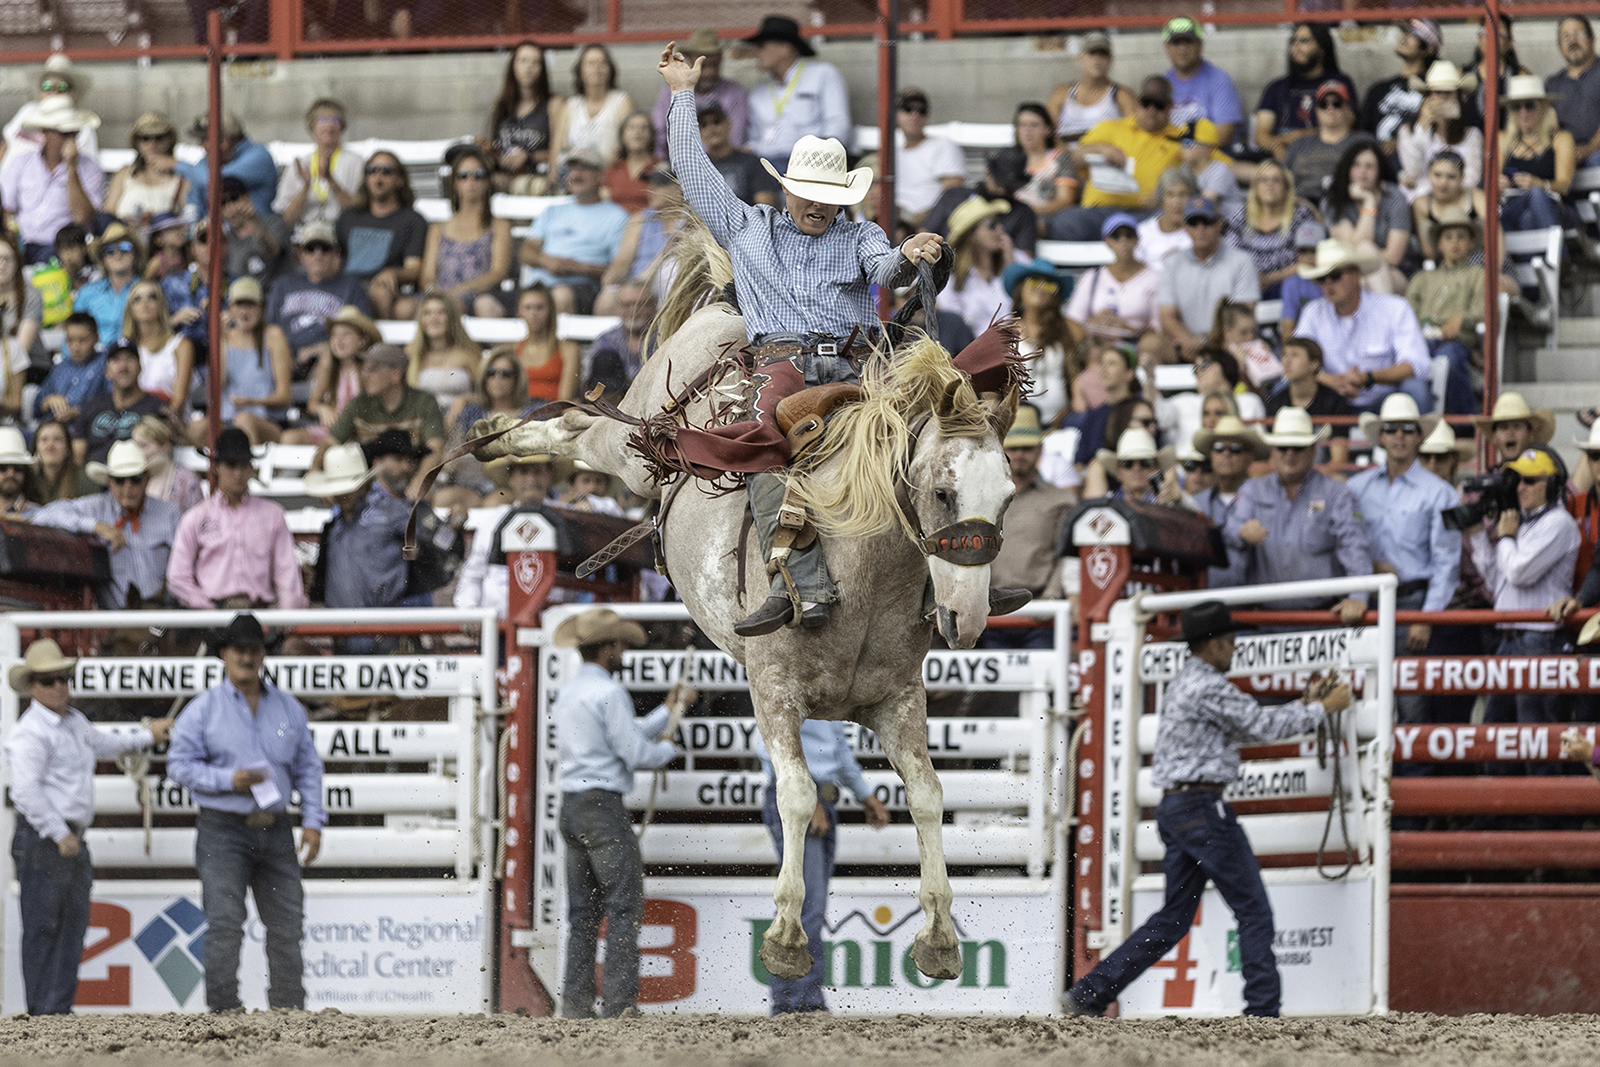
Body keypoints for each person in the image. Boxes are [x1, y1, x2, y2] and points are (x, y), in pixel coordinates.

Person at [655, 44, 1008, 637]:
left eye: (829, 195)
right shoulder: (747, 225)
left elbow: (889, 268)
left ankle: (956, 581)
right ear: (787, 190)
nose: (818, 204)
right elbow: (692, 170)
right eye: (809, 192)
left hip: (859, 365)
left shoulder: (860, 233)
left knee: (949, 444)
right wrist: (682, 95)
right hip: (782, 363)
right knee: (765, 446)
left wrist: (917, 253)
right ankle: (803, 583)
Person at [1063, 600, 1351, 1018]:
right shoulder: (1210, 686)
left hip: (1178, 808)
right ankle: (1263, 1010)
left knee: (1172, 919)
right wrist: (1321, 708)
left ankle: (1090, 993)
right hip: (1202, 807)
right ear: (1212, 644)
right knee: (1253, 908)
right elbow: (1260, 727)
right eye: (1231, 640)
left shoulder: (1187, 682)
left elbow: (1247, 721)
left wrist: (1306, 703)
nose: (1235, 648)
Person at [167, 612, 324, 1014]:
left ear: (262, 655)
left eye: (253, 649)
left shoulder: (287, 708)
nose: (247, 656)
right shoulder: (204, 710)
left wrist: (312, 820)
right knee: (225, 922)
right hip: (224, 827)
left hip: (274, 827)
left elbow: (308, 766)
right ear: (224, 654)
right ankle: (224, 1009)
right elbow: (178, 765)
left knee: (286, 923)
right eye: (240, 649)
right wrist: (226, 780)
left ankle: (289, 1009)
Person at [5, 638, 169, 1016]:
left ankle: (54, 1010)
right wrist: (59, 832)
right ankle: (45, 1011)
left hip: (65, 837)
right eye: (50, 681)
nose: (60, 686)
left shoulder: (73, 722)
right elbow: (26, 792)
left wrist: (147, 735)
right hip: (51, 837)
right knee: (47, 928)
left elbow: (106, 743)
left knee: (70, 927)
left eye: (63, 678)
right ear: (33, 687)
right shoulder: (30, 733)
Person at [551, 607, 695, 1018]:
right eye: (621, 644)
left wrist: (668, 712)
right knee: (623, 905)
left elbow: (622, 735)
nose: (625, 650)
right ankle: (619, 1004)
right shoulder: (610, 693)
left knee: (582, 913)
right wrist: (668, 745)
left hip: (573, 806)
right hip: (602, 808)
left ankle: (576, 1004)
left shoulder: (571, 691)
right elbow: (635, 752)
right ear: (609, 648)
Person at [755, 717, 889, 1015]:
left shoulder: (819, 693)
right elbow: (773, 742)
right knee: (805, 905)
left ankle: (793, 997)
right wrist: (807, 793)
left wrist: (864, 794)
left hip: (816, 796)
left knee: (804, 902)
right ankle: (799, 1000)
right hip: (800, 793)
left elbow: (838, 748)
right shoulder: (791, 684)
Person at [1347, 393, 1461, 721]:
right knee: (1365, 699)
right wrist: (1369, 568)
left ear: (1419, 436)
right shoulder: (1357, 488)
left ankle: (1412, 772)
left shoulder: (1441, 493)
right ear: (1381, 436)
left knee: (1411, 706)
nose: (1399, 436)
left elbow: (1447, 563)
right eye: (1392, 429)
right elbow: (1346, 544)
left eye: (1407, 429)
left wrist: (1427, 617)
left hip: (1413, 602)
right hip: (1367, 603)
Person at [1469, 447, 1580, 742]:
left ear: (1553, 485)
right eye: (1518, 480)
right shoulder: (1522, 522)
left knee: (1536, 738)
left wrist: (1505, 537)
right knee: (1496, 733)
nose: (1520, 488)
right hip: (1510, 638)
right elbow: (1496, 580)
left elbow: (1519, 572)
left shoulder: (1559, 523)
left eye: (1530, 481)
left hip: (1538, 639)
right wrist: (1478, 535)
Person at [1226, 407, 1371, 623]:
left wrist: (1359, 596)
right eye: (1283, 447)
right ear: (1272, 451)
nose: (1289, 454)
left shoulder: (1337, 493)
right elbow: (1229, 530)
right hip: (1265, 620)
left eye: (1298, 447)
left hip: (1322, 618)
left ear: (1312, 450)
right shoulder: (1252, 490)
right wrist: (1241, 532)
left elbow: (1354, 545)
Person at [167, 427, 309, 610]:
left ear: (251, 467)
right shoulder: (195, 518)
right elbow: (177, 576)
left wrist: (286, 613)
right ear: (217, 467)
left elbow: (286, 572)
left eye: (243, 466)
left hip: (257, 612)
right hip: (215, 614)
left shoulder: (273, 515)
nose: (238, 474)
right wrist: (206, 606)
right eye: (231, 466)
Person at [33, 439, 182, 609]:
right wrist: (95, 525)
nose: (127, 488)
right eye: (119, 480)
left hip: (160, 615)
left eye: (135, 479)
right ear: (109, 482)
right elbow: (43, 515)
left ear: (147, 479)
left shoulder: (169, 514)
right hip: (116, 621)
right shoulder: (96, 508)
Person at [1293, 239, 1432, 414]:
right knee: (1287, 385)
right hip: (1330, 403)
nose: (1328, 283)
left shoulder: (1395, 308)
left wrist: (1368, 378)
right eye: (1322, 278)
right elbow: (1296, 360)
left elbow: (1415, 364)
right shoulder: (1312, 312)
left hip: (1385, 405)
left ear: (1357, 276)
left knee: (1415, 388)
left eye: (1335, 275)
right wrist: (1332, 381)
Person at [1054, 76, 1185, 241]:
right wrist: (1101, 148)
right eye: (1146, 103)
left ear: (1170, 107)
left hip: (1145, 214)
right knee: (1064, 223)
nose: (1151, 110)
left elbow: (1206, 169)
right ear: (1138, 102)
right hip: (1099, 212)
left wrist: (1162, 200)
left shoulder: (1180, 139)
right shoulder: (1112, 127)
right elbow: (1073, 156)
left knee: (1165, 223)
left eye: (1159, 105)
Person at [989, 405, 1076, 623]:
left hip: (1040, 609)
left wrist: (1052, 596)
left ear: (1039, 449)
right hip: (992, 608)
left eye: (1027, 448)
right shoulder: (984, 499)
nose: (1019, 454)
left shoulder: (1062, 500)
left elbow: (1067, 555)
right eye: (1013, 448)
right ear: (1002, 450)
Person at [1405, 207, 1495, 415]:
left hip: (1457, 341)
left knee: (1450, 359)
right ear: (1439, 243)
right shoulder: (1422, 278)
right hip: (1422, 340)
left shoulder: (1477, 275)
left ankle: (1463, 424)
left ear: (1471, 243)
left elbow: (1483, 309)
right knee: (1404, 362)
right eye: (1448, 237)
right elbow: (1407, 314)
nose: (1455, 243)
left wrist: (1461, 318)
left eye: (1462, 237)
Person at [518, 147, 629, 315]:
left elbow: (617, 269)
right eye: (572, 169)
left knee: (559, 296)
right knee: (487, 303)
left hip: (584, 287)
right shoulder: (552, 211)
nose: (576, 175)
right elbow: (526, 251)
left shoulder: (617, 216)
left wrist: (578, 267)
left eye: (584, 169)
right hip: (539, 288)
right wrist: (545, 260)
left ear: (601, 175)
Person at [305, 442, 411, 610]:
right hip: (345, 625)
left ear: (363, 487)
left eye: (347, 490)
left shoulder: (393, 515)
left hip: (385, 621)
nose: (342, 495)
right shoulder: (332, 529)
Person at [325, 343, 447, 486]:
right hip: (370, 485)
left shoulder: (424, 402)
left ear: (396, 374)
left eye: (372, 369)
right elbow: (329, 442)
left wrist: (419, 483)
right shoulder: (358, 404)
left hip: (413, 480)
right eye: (364, 369)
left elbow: (435, 451)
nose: (365, 375)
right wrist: (315, 471)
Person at [0, 98, 104, 263]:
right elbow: (7, 209)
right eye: (63, 133)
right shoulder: (21, 162)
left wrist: (71, 168)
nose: (70, 139)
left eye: (74, 133)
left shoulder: (89, 168)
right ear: (45, 133)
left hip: (62, 249)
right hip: (22, 244)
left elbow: (82, 217)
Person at [454, 453, 559, 613]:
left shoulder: (565, 517)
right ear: (511, 478)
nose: (531, 479)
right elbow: (473, 575)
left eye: (537, 471)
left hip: (554, 625)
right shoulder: (493, 521)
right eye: (524, 472)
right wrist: (470, 610)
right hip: (499, 626)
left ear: (549, 476)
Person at [265, 220, 372, 377]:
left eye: (325, 248)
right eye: (310, 249)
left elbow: (364, 333)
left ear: (335, 252)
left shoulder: (351, 286)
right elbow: (269, 328)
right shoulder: (283, 284)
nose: (318, 255)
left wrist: (324, 348)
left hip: (328, 360)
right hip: (284, 359)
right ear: (301, 255)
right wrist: (282, 352)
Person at [1157, 197, 1260, 359]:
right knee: (1152, 345)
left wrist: (1206, 341)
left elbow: (1243, 314)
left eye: (1207, 221)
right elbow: (1166, 316)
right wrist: (1189, 341)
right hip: (1187, 344)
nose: (1200, 228)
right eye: (1193, 222)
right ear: (1184, 226)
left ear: (1219, 224)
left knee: (1242, 335)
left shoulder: (1241, 261)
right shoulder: (1172, 263)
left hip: (1227, 344)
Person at [744, 15, 851, 168]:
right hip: (765, 166)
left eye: (761, 46)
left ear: (785, 48)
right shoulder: (758, 91)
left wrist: (819, 161)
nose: (756, 52)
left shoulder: (823, 75)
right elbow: (754, 139)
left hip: (810, 164)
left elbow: (837, 128)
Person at [204, 277, 301, 445]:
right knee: (196, 429)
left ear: (261, 308)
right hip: (228, 420)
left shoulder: (273, 335)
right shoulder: (224, 338)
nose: (244, 311)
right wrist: (219, 338)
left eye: (250, 305)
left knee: (244, 420)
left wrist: (251, 402)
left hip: (268, 421)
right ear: (231, 308)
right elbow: (214, 390)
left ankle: (248, 470)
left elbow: (284, 396)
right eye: (239, 305)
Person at [422, 146, 514, 319]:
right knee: (406, 307)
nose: (471, 181)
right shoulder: (438, 228)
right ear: (454, 183)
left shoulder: (499, 226)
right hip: (441, 297)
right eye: (463, 176)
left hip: (478, 295)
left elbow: (498, 273)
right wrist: (435, 292)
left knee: (451, 307)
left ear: (488, 181)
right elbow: (427, 276)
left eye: (478, 175)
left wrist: (458, 291)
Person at [439, 349, 539, 506]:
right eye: (491, 373)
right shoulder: (471, 410)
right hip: (471, 483)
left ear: (517, 379)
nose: (497, 379)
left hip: (509, 485)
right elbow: (450, 449)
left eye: (505, 374)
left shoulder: (531, 414)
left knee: (493, 503)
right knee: (443, 499)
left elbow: (538, 458)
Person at [336, 150, 428, 319]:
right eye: (372, 170)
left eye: (387, 171)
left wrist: (391, 273)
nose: (378, 176)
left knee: (381, 291)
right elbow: (335, 260)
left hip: (383, 288)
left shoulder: (412, 220)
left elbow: (414, 269)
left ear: (400, 179)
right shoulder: (348, 216)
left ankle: (381, 344)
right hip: (346, 284)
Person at [1254, 22, 1357, 162]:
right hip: (1281, 158)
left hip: (1328, 155)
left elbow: (1347, 124)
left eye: (1304, 41)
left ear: (1322, 48)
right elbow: (1261, 136)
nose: (1296, 46)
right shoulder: (1276, 87)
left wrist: (1301, 135)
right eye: (1293, 41)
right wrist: (1277, 147)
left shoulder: (1340, 83)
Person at [1320, 142, 1412, 294]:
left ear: (1379, 171)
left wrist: (1368, 202)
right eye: (1356, 165)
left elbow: (1393, 257)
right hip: (1350, 274)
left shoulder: (1394, 197)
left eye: (1369, 166)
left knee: (1365, 253)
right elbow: (1353, 250)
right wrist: (1368, 203)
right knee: (1360, 276)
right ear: (1347, 168)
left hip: (1394, 273)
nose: (1362, 172)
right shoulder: (1334, 199)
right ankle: (1387, 317)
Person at [1064, 212, 1162, 353]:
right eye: (1116, 236)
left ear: (1137, 239)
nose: (1123, 242)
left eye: (1128, 235)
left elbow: (1159, 327)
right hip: (1097, 346)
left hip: (1136, 346)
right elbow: (1073, 319)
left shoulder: (1154, 277)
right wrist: (1092, 323)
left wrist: (1130, 329)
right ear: (1107, 242)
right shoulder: (1092, 277)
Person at [1191, 415, 1269, 588]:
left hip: (1255, 606)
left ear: (1250, 458)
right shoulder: (1195, 503)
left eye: (1235, 448)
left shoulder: (1267, 500)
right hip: (1206, 602)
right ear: (1211, 456)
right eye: (1218, 448)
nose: (1226, 454)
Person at [597, 168, 687, 313]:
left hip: (676, 283)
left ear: (679, 188)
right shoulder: (640, 218)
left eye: (660, 185)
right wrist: (613, 277)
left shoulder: (691, 220)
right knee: (607, 299)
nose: (651, 189)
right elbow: (622, 263)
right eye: (650, 184)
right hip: (639, 284)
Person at [936, 196, 1025, 339]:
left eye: (999, 223)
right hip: (972, 352)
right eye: (992, 225)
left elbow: (1030, 306)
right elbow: (953, 329)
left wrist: (1011, 268)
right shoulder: (951, 280)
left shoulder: (1017, 259)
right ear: (971, 235)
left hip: (1017, 348)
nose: (1000, 229)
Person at [1499, 76, 1578, 235]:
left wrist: (1539, 184)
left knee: (1532, 207)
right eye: (1516, 107)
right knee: (1525, 214)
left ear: (1543, 108)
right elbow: (1491, 184)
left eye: (1529, 106)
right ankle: (1558, 258)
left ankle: (1552, 258)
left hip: (1556, 208)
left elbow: (1564, 186)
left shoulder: (1561, 138)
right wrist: (1500, 184)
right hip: (1514, 206)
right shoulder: (1502, 139)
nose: (1523, 112)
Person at [71, 339, 168, 465]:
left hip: (138, 478)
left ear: (140, 367)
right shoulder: (92, 406)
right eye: (116, 360)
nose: (123, 366)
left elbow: (164, 453)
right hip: (96, 476)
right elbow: (79, 457)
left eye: (130, 359)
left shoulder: (157, 408)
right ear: (107, 371)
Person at [490, 41, 567, 195]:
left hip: (537, 179)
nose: (528, 67)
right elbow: (495, 145)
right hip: (504, 175)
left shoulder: (554, 104)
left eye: (535, 62)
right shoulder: (501, 105)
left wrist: (529, 157)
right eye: (523, 61)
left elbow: (561, 151)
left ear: (542, 69)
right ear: (513, 66)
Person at [650, 29, 749, 150]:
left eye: (714, 65)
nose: (709, 72)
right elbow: (661, 136)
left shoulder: (734, 92)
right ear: (690, 61)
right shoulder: (670, 93)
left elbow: (735, 139)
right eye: (704, 65)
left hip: (724, 163)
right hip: (677, 163)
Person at [1004, 259, 1076, 425]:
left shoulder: (1065, 331)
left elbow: (1075, 380)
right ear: (1020, 288)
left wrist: (1065, 416)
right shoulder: (1005, 333)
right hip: (1016, 422)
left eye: (1050, 285)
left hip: (1061, 421)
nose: (1042, 288)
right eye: (1034, 281)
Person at [273, 99, 363, 230]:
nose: (330, 126)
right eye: (323, 120)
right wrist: (305, 187)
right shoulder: (300, 164)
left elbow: (359, 212)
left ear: (342, 127)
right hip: (305, 234)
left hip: (342, 231)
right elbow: (289, 218)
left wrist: (331, 180)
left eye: (336, 120)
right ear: (312, 127)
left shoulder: (356, 162)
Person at [1397, 63, 1482, 201]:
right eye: (1437, 93)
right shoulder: (1408, 131)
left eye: (1448, 93)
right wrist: (1423, 127)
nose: (1442, 98)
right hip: (1421, 202)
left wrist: (1425, 183)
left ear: (1458, 98)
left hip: (1458, 203)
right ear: (1427, 98)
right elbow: (1414, 172)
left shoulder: (1472, 135)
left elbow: (1471, 180)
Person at [1264, 336, 1353, 465]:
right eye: (1284, 355)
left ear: (1314, 364)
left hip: (1322, 475)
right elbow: (1274, 460)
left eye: (1295, 355)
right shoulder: (1275, 403)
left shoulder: (1335, 402)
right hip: (1286, 473)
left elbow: (1339, 461)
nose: (1286, 361)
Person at [1282, 80, 1376, 202]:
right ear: (1316, 111)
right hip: (1302, 207)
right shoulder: (1299, 144)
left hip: (1350, 204)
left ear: (1348, 108)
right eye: (1323, 104)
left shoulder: (1365, 141)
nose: (1330, 108)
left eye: (1337, 104)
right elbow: (1282, 180)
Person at [1360, 19, 1443, 156]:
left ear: (1428, 49)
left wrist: (1401, 142)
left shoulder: (1435, 89)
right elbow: (1363, 133)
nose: (1404, 37)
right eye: (1404, 32)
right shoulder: (1378, 89)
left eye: (1414, 35)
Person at [993, 103, 1077, 236]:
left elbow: (1065, 200)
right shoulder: (1006, 157)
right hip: (1008, 218)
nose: (1027, 131)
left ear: (1047, 129)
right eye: (1022, 125)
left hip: (1044, 219)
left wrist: (1028, 211)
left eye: (1034, 125)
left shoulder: (1060, 159)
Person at [1160, 16, 1243, 147]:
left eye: (1188, 41)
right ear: (1167, 48)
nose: (1182, 48)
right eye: (1176, 42)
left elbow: (1224, 135)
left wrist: (1186, 149)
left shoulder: (1219, 80)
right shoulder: (1162, 83)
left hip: (1209, 159)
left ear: (1200, 44)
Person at [180, 111, 278, 218]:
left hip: (260, 229)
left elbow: (213, 179)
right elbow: (194, 202)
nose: (200, 144)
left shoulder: (258, 156)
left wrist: (176, 164)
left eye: (205, 139)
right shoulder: (206, 162)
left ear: (224, 140)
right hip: (222, 230)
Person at [405, 291, 483, 424]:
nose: (434, 318)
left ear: (451, 318)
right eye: (427, 313)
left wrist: (464, 400)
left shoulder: (468, 355)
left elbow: (488, 395)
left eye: (441, 312)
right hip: (423, 423)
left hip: (461, 421)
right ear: (421, 319)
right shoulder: (411, 352)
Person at [892, 88, 966, 225]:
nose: (915, 115)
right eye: (907, 109)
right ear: (896, 114)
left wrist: (924, 218)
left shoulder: (942, 145)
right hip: (895, 220)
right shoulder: (892, 153)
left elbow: (954, 192)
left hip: (930, 224)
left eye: (922, 110)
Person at [1046, 31, 1135, 144]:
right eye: (1092, 54)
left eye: (1102, 55)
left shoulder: (1122, 96)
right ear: (1081, 58)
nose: (1097, 60)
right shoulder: (1060, 94)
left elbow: (1134, 134)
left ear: (1110, 60)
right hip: (1067, 158)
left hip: (1107, 158)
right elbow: (1045, 133)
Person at [104, 110, 188, 227]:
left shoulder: (181, 178)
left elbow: (187, 219)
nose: (152, 145)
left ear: (169, 140)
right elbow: (108, 216)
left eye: (159, 138)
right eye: (145, 138)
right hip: (126, 242)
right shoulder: (124, 174)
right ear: (136, 142)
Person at [553, 44, 634, 167]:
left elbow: (628, 148)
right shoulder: (569, 106)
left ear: (610, 70)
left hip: (608, 174)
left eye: (603, 63)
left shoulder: (622, 102)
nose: (597, 68)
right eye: (591, 63)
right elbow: (556, 152)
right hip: (573, 176)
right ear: (580, 71)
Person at [125, 279, 196, 412]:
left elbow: (178, 401)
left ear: (161, 304)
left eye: (151, 297)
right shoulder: (125, 347)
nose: (144, 303)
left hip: (169, 421)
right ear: (130, 309)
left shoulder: (181, 345)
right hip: (131, 420)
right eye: (137, 299)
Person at [1411, 150, 1490, 264]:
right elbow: (1429, 252)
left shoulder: (1476, 197)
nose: (1443, 183)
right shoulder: (1421, 203)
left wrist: (1496, 270)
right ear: (1428, 175)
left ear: (1462, 178)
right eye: (1437, 175)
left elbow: (1496, 234)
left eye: (1451, 177)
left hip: (1483, 261)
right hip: (1444, 264)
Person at [219, 175, 292, 295]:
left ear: (247, 197)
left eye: (234, 198)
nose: (230, 207)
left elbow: (272, 251)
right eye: (223, 203)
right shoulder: (226, 239)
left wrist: (255, 222)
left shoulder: (274, 222)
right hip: (243, 304)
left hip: (275, 299)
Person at [584, 280, 657, 398]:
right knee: (605, 358)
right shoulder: (605, 339)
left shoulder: (665, 338)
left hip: (655, 403)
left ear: (654, 306)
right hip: (613, 407)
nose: (634, 311)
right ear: (617, 308)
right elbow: (592, 383)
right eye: (627, 305)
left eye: (641, 304)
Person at [75, 223, 144, 345]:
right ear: (103, 259)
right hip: (94, 358)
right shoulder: (86, 293)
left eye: (125, 247)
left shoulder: (147, 290)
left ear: (135, 253)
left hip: (135, 355)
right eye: (110, 250)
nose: (117, 254)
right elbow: (74, 334)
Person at [696, 103, 777, 207]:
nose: (711, 128)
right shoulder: (697, 167)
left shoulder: (751, 162)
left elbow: (765, 207)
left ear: (728, 124)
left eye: (717, 121)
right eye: (704, 124)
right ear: (699, 131)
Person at [1546, 16, 1600, 167]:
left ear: (1592, 39)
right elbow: (1550, 127)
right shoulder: (1552, 84)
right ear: (1559, 46)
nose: (1572, 41)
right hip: (1566, 153)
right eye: (1565, 37)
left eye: (1578, 34)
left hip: (1597, 153)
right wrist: (1566, 150)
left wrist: (1590, 148)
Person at [513, 284, 579, 403]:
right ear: (519, 312)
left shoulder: (568, 349)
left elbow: (564, 399)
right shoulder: (513, 350)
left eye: (539, 307)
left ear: (550, 310)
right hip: (520, 414)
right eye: (527, 308)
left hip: (553, 415)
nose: (533, 313)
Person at [130, 414, 205, 513]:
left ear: (165, 446)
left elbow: (198, 520)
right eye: (134, 446)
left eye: (143, 446)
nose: (137, 452)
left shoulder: (187, 479)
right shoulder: (128, 478)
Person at [0, 237, 40, 419]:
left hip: (28, 367)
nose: (2, 264)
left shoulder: (30, 295)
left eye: (7, 258)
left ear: (17, 262)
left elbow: (21, 349)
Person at [603, 112, 662, 216]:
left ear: (651, 135)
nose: (637, 132)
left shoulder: (660, 168)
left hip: (647, 226)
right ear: (622, 134)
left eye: (644, 128)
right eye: (631, 127)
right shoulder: (613, 169)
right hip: (615, 227)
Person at [1472, 391, 1554, 466]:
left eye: (1517, 426)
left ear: (1531, 434)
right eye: (1504, 428)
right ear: (1494, 437)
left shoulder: (1544, 477)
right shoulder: (1489, 479)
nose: (1510, 433)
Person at [1136, 167, 1198, 265]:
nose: (1177, 202)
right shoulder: (1143, 232)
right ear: (1161, 199)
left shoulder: (1200, 233)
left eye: (1182, 194)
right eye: (1170, 195)